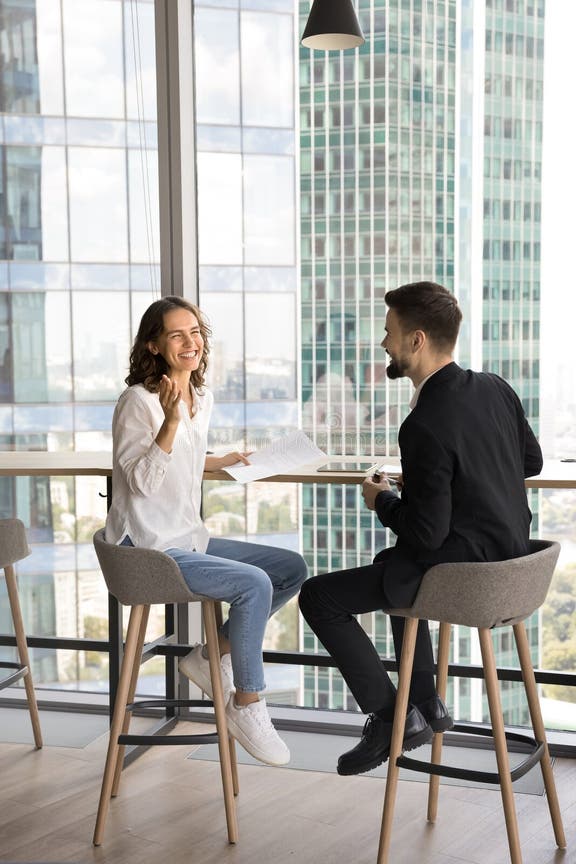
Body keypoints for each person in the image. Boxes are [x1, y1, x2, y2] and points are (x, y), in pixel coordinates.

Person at [299, 280, 543, 776]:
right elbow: (531, 462)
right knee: (391, 565)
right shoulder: (495, 387)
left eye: (389, 332)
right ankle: (427, 704)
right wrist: (447, 479)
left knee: (317, 597)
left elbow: (425, 536)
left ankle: (392, 717)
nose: (383, 343)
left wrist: (381, 498)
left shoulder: (423, 422)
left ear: (417, 339)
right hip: (515, 567)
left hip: (465, 578)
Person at [105, 296, 307, 767]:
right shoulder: (138, 402)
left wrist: (218, 460)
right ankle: (247, 702)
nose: (190, 342)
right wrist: (172, 422)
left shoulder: (202, 397)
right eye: (176, 334)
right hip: (147, 547)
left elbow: (181, 463)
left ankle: (208, 654)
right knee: (253, 583)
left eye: (195, 332)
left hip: (185, 536)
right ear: (154, 345)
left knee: (288, 568)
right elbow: (139, 482)